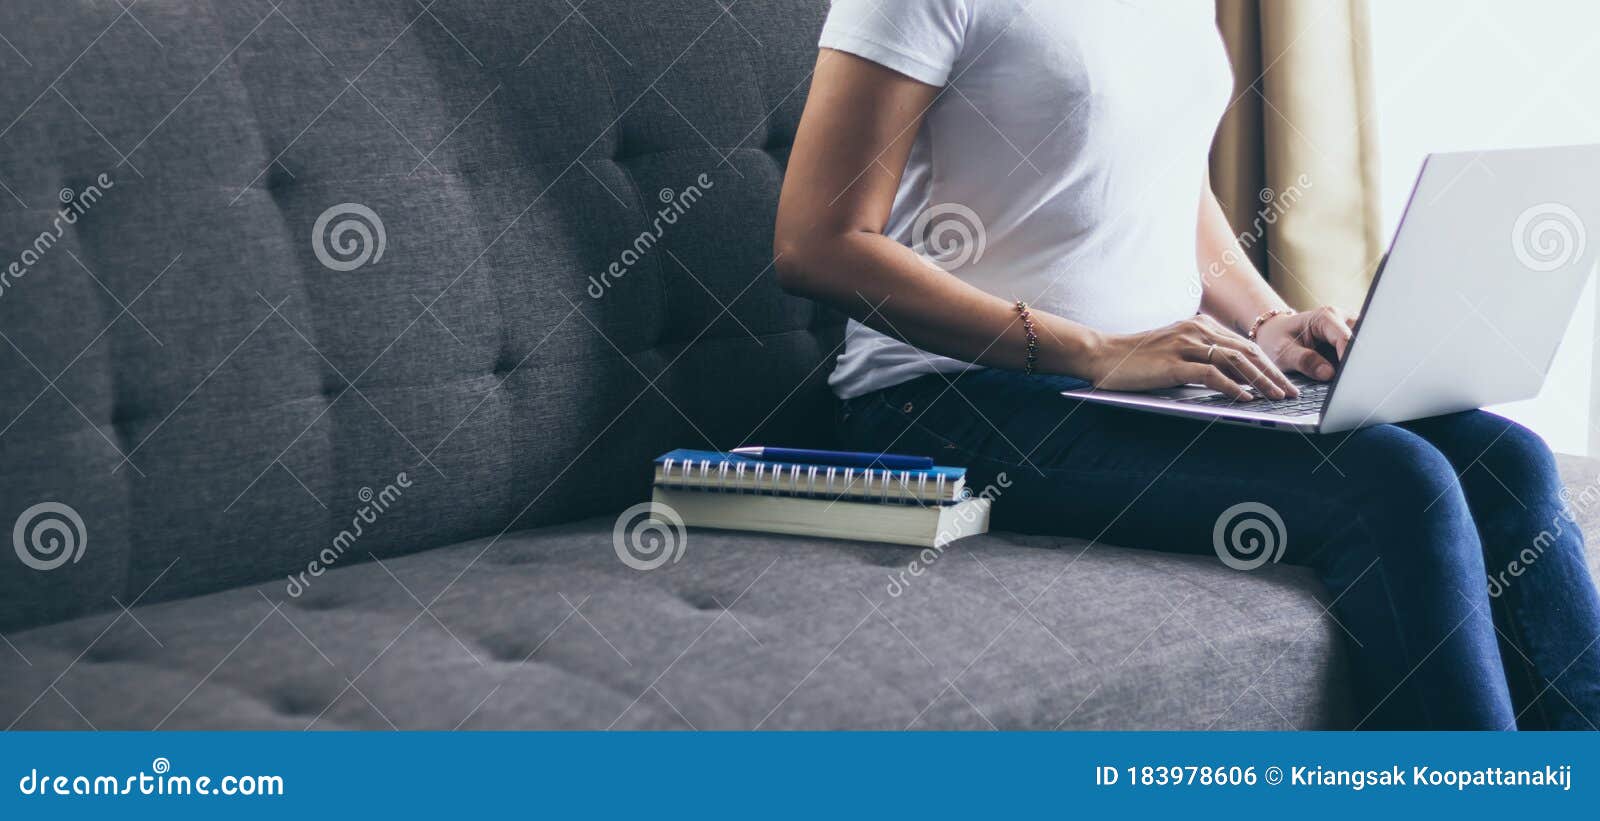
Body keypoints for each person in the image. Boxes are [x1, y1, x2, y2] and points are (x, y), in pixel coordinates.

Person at [772, 0, 1600, 729]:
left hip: (1147, 383)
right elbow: (819, 242)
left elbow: (1168, 183)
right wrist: (1094, 351)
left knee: (1505, 459)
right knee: (1393, 482)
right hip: (944, 400)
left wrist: (1267, 322)